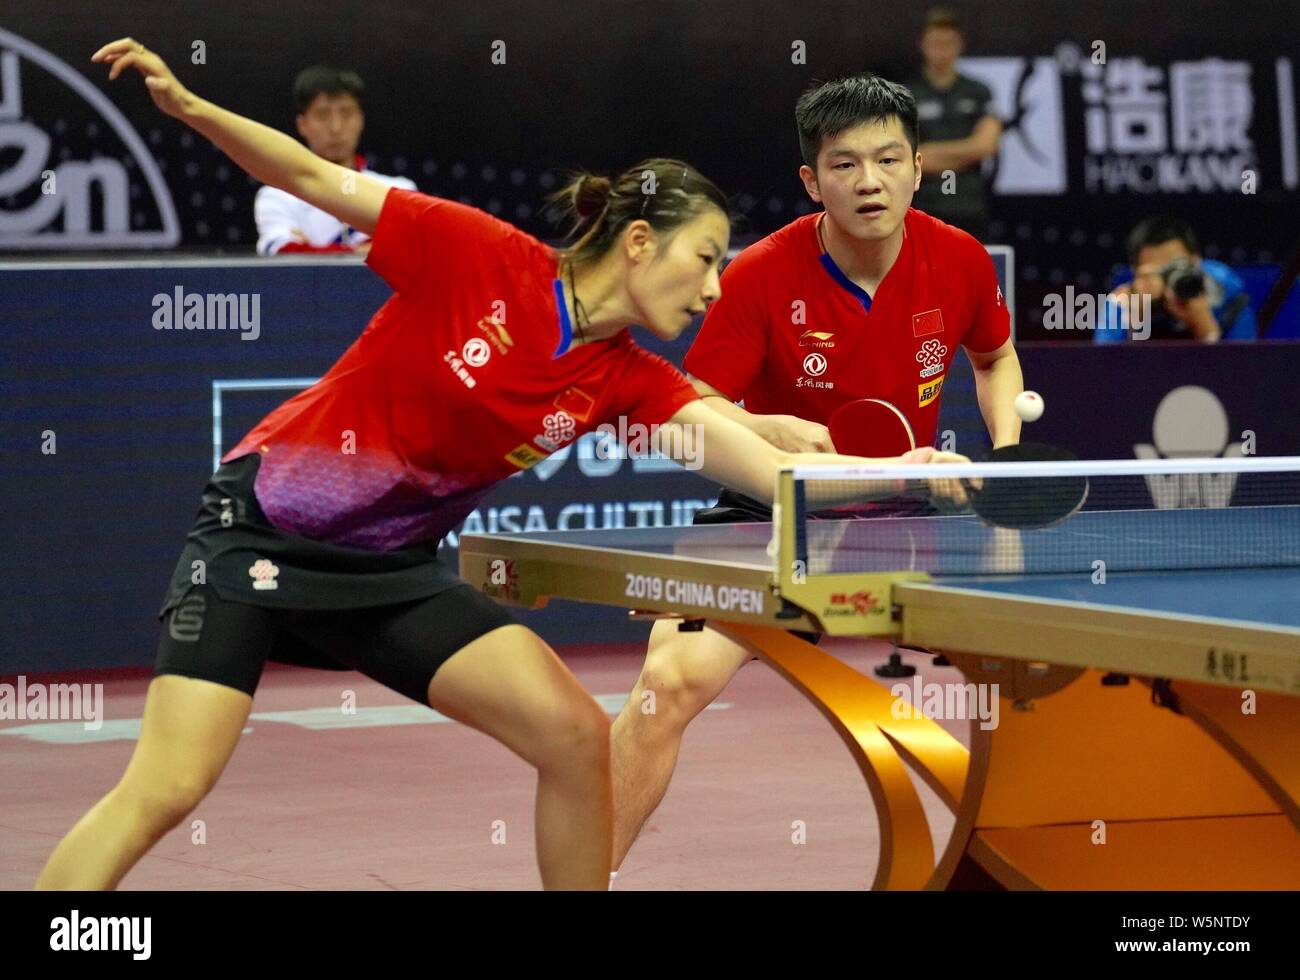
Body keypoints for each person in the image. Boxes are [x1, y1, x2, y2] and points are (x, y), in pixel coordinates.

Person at [36, 38, 967, 892]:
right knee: (167, 787)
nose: (718, 284)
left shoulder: (629, 380)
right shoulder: (478, 254)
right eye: (706, 258)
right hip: (257, 539)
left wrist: (909, 474)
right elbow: (315, 177)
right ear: (639, 243)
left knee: (573, 736)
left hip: (389, 576)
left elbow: (775, 483)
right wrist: (191, 106)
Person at [608, 73, 1024, 877]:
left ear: (918, 168)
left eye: (887, 160)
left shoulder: (961, 259)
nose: (868, 182)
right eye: (844, 165)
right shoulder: (761, 273)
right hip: (775, 514)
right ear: (812, 179)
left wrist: (1003, 452)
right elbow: (690, 402)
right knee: (668, 684)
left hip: (918, 513)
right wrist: (768, 435)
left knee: (1047, 680)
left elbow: (997, 355)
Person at [254, 66, 415, 256]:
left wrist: (312, 250)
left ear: (360, 119)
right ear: (302, 124)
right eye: (322, 115)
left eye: (346, 113)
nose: (336, 128)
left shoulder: (398, 191)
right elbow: (283, 254)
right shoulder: (278, 196)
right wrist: (364, 250)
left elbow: (408, 255)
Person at [904, 7, 1001, 241]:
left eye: (948, 43)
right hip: (923, 206)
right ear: (922, 44)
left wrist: (930, 154)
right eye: (935, 43)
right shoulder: (905, 94)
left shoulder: (979, 91)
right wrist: (967, 150)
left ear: (960, 44)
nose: (942, 50)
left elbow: (986, 146)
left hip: (970, 205)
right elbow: (906, 156)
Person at [1098, 216, 1258, 343]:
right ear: (1136, 271)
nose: (1168, 280)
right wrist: (1134, 325)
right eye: (1158, 273)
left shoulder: (1230, 299)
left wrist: (1208, 332)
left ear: (1196, 260)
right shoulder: (1121, 305)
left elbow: (1245, 374)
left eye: (1175, 268)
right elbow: (1104, 374)